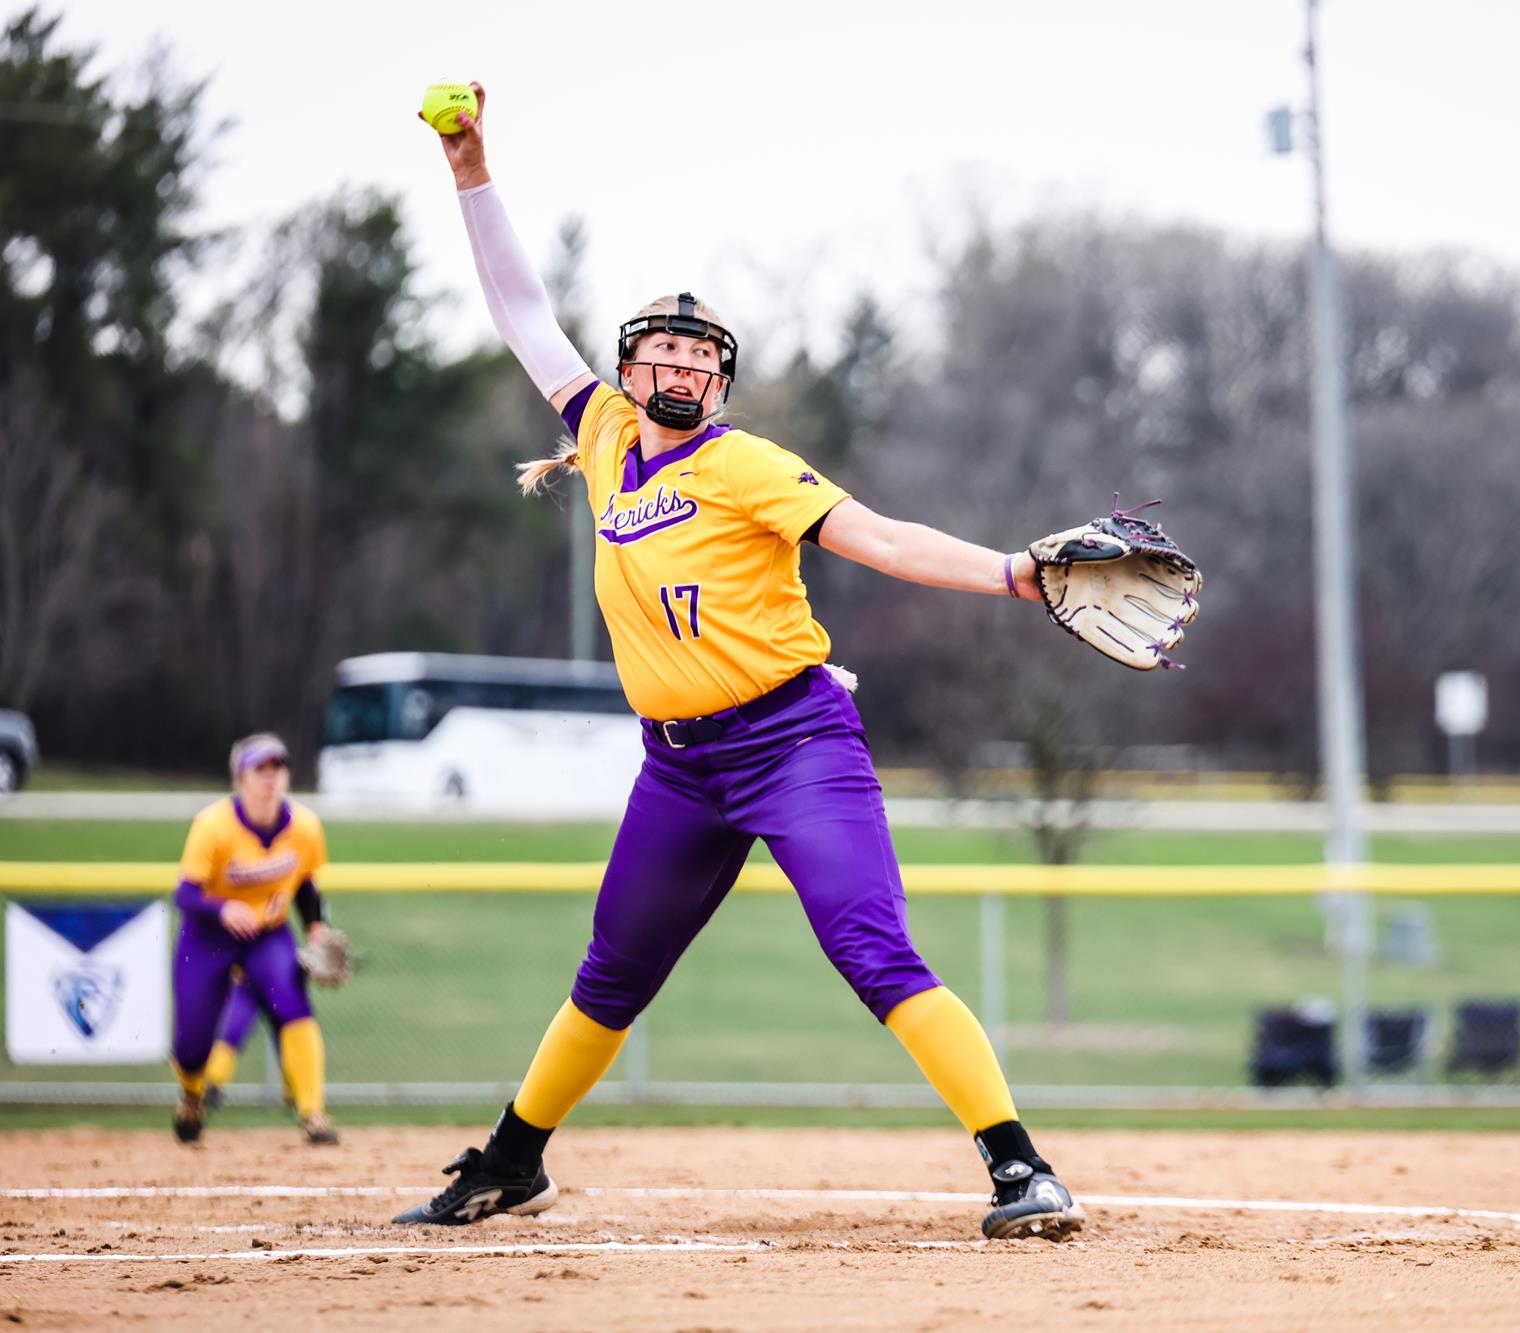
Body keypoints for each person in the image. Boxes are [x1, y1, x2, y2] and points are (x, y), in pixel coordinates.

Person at [396, 83, 1084, 1240]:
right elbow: (520, 311)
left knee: (870, 946)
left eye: (695, 355)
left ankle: (1021, 1168)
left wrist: (1013, 571)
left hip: (793, 738)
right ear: (629, 368)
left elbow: (884, 539)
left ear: (718, 379)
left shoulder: (745, 464)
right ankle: (513, 1161)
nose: (674, 366)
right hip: (678, 766)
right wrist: (470, 169)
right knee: (611, 973)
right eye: (657, 349)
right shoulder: (604, 435)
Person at [169, 733, 337, 1146]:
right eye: (259, 768)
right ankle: (192, 1096)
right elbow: (185, 893)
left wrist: (315, 926)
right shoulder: (214, 825)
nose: (270, 777)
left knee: (293, 1007)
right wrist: (223, 908)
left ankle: (312, 1113)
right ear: (240, 778)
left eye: (277, 767)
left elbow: (305, 884)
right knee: (191, 1042)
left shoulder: (305, 827)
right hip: (207, 937)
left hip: (267, 935)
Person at [202, 872, 333, 1109]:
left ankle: (215, 1082)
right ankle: (296, 1095)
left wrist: (316, 936)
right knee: (276, 1026)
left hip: (266, 964)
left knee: (275, 1028)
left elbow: (308, 894)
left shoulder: (286, 864)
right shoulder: (241, 877)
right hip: (257, 967)